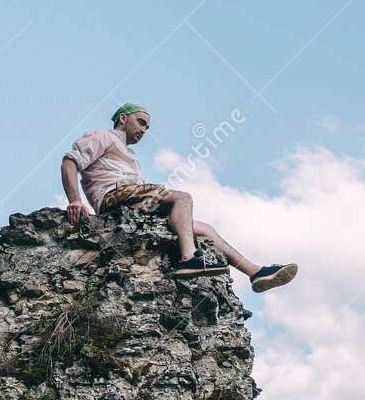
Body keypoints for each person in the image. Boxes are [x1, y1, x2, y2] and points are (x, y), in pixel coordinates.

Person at [61, 103, 298, 292]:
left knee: (204, 229)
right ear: (123, 118)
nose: (144, 130)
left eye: (147, 128)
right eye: (141, 122)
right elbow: (70, 161)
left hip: (132, 200)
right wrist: (75, 199)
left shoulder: (129, 155)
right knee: (182, 198)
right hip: (114, 195)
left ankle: (255, 272)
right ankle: (188, 258)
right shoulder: (103, 136)